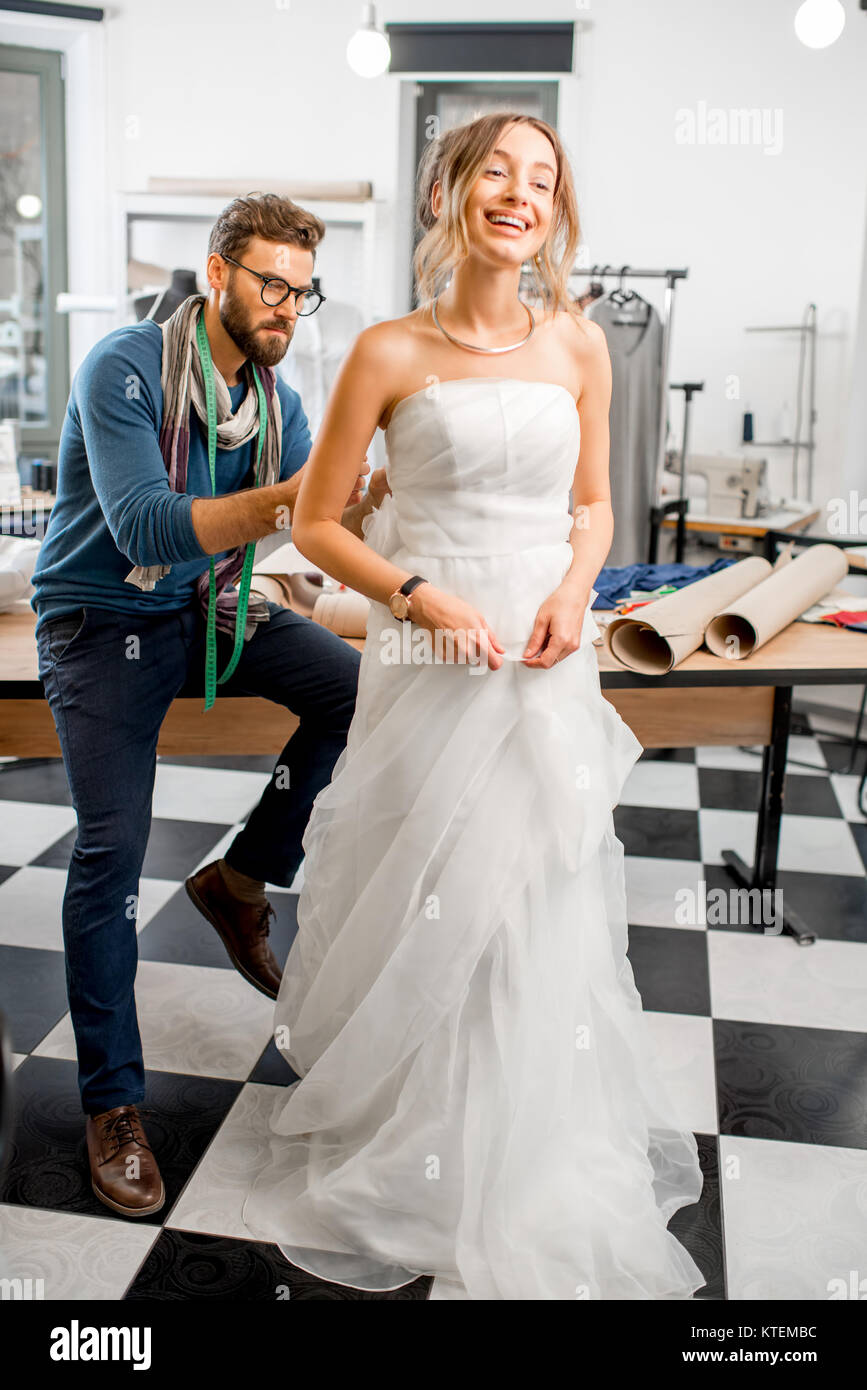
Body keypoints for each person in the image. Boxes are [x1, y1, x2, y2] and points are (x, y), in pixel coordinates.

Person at [241, 115, 706, 1300]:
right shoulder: (388, 352)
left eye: (542, 178)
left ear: (555, 210)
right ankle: (415, 1126)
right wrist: (414, 591)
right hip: (428, 648)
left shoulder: (581, 347)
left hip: (543, 651)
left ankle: (528, 1140)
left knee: (532, 893)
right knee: (425, 879)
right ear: (453, 192)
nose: (520, 192)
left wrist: (574, 587)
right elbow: (317, 521)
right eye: (498, 170)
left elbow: (597, 506)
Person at [31, 193, 387, 1219]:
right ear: (219, 273)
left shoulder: (277, 398)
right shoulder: (127, 366)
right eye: (271, 282)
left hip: (205, 605)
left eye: (302, 290)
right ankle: (112, 1105)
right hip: (99, 618)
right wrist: (299, 497)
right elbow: (147, 528)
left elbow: (321, 524)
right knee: (111, 847)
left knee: (354, 695)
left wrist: (403, 567)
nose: (287, 306)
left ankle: (238, 879)